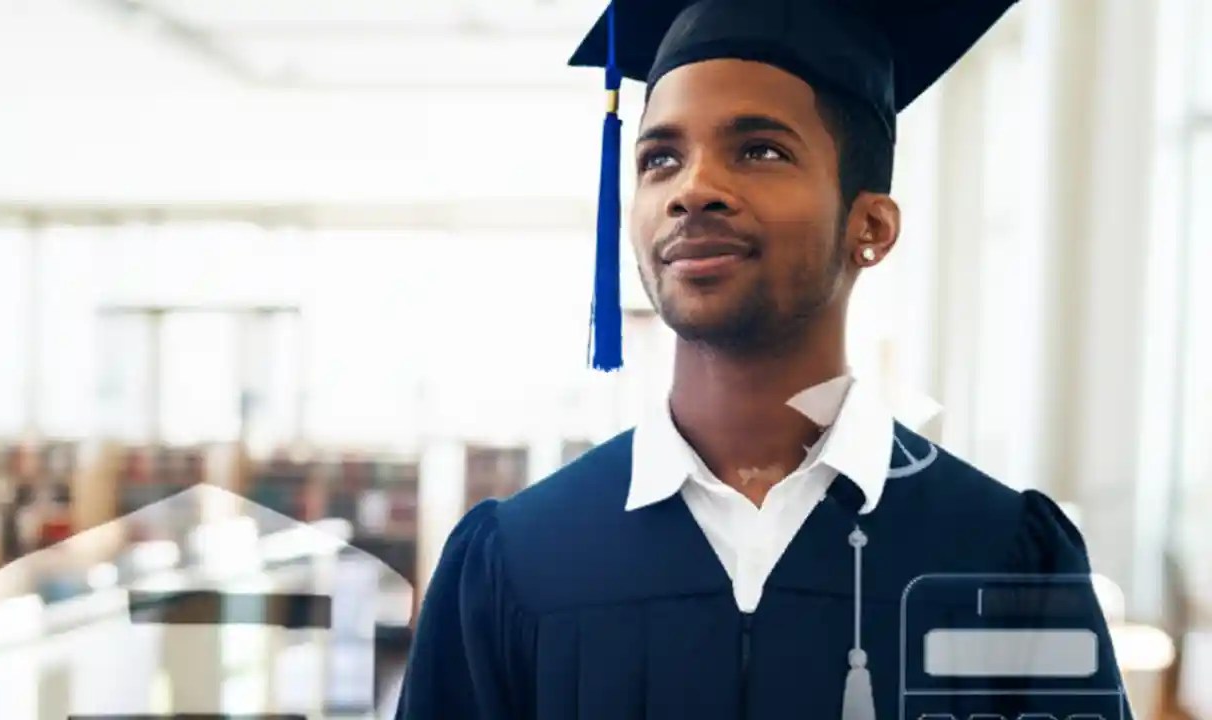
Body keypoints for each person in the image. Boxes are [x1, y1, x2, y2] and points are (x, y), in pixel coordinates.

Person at [397, 0, 1134, 718]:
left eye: (761, 150)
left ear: (870, 226)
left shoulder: (1000, 561)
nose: (693, 190)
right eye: (660, 158)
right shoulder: (521, 562)